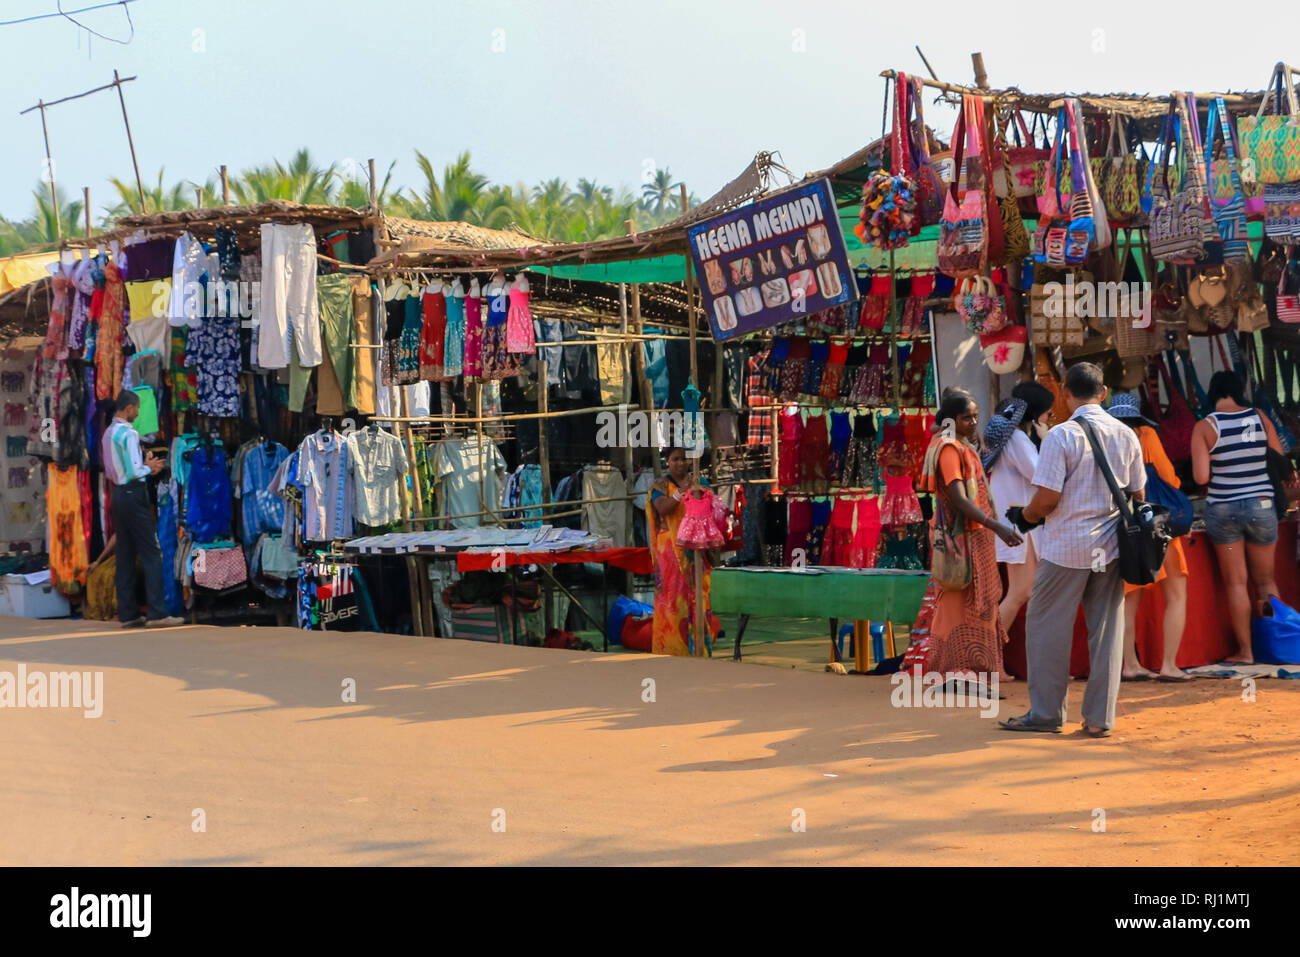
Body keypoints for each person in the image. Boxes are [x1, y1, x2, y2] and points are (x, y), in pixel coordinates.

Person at [1000, 362, 1144, 738]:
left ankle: (1047, 714)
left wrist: (1025, 516)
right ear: (1104, 393)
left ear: (1065, 392)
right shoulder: (1126, 434)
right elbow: (1138, 493)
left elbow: (1047, 498)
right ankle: (1099, 719)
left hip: (1066, 547)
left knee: (1047, 627)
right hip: (1111, 547)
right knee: (1107, 632)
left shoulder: (1061, 436)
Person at [908, 389, 1023, 681]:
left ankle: (979, 668)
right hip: (960, 540)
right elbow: (959, 498)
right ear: (950, 421)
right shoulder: (949, 450)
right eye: (965, 418)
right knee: (956, 603)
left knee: (981, 603)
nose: (973, 422)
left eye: (975, 416)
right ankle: (950, 670)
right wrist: (997, 526)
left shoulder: (962, 446)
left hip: (976, 537)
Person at [1191, 370, 1283, 665]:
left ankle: (1245, 652)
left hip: (1224, 509)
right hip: (1261, 504)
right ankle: (1277, 647)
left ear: (1213, 392)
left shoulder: (1206, 427)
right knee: (1266, 581)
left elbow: (1201, 476)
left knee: (1236, 583)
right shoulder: (1259, 417)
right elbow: (1278, 457)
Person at [1108, 392, 1191, 682]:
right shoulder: (1145, 434)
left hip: (1124, 527)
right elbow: (1171, 478)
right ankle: (1169, 665)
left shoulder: (1102, 439)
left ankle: (1129, 664)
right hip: (1158, 524)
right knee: (1176, 594)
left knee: (1129, 600)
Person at [982, 381, 1056, 680]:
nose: (1050, 419)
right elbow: (1042, 475)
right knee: (1020, 592)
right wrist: (1047, 440)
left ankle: (994, 660)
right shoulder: (1018, 440)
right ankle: (990, 660)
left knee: (1024, 592)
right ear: (1037, 415)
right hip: (1018, 525)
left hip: (1019, 524)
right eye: (1048, 415)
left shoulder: (1014, 438)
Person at [102, 390, 183, 628]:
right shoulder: (129, 433)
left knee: (125, 554)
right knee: (151, 552)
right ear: (129, 409)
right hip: (133, 493)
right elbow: (135, 471)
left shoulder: (108, 433)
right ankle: (158, 613)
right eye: (136, 409)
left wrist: (143, 465)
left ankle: (129, 613)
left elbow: (114, 469)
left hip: (117, 494)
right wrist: (151, 467)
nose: (137, 413)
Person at [644, 447, 721, 655]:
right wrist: (680, 493)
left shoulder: (701, 483)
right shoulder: (660, 485)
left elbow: (714, 509)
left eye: (684, 459)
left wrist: (702, 493)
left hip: (696, 548)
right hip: (669, 552)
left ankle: (699, 647)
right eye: (675, 459)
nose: (680, 463)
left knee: (698, 596)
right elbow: (662, 508)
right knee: (672, 599)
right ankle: (672, 649)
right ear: (667, 461)